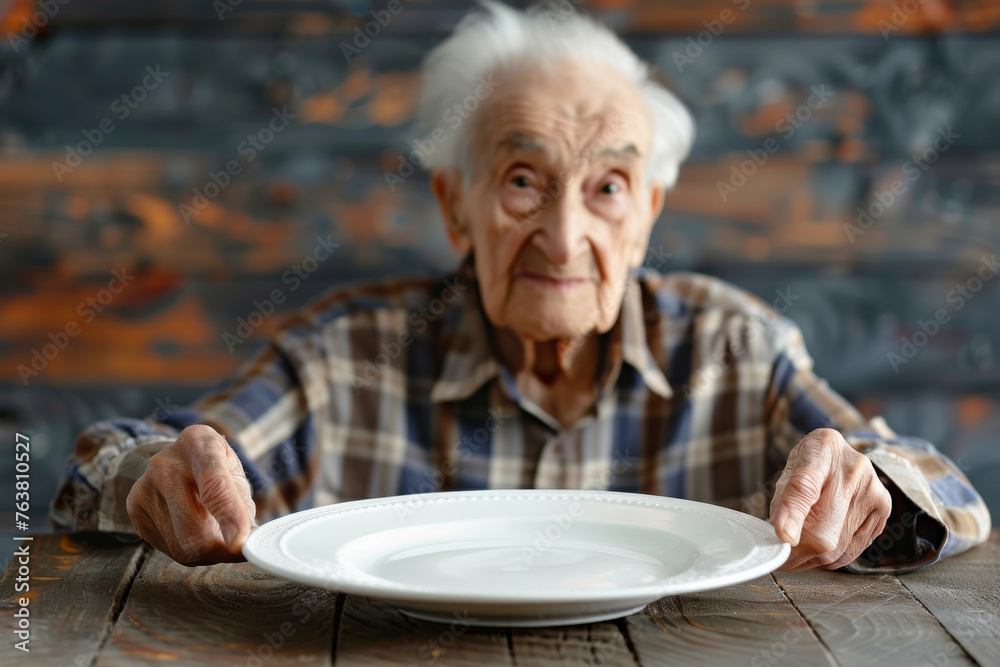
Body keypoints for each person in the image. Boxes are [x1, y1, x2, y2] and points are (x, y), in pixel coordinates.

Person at [50, 1, 990, 572]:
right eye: (524, 180)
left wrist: (874, 489)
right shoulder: (344, 358)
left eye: (608, 187)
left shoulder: (734, 347)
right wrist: (151, 477)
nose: (566, 234)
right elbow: (120, 457)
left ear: (650, 210)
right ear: (456, 206)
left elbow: (945, 488)